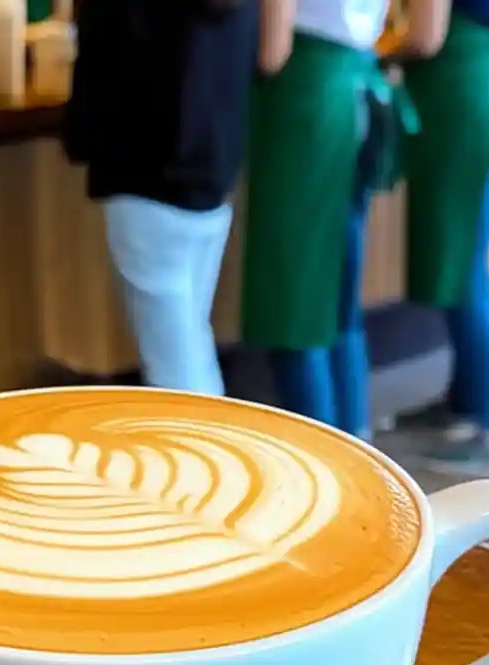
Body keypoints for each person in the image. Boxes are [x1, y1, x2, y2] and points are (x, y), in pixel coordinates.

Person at [65, 0, 257, 396]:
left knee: (177, 376)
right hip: (211, 166)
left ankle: (211, 455)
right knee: (190, 348)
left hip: (144, 172)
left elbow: (101, 52)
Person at [241, 0, 413, 439]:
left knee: (294, 302)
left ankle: (323, 455)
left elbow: (272, 51)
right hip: (356, 86)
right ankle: (355, 439)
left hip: (305, 97)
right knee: (338, 297)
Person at [393, 0, 489, 477]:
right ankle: (465, 404)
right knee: (463, 257)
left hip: (465, 95)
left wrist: (374, 53)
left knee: (463, 266)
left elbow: (424, 37)